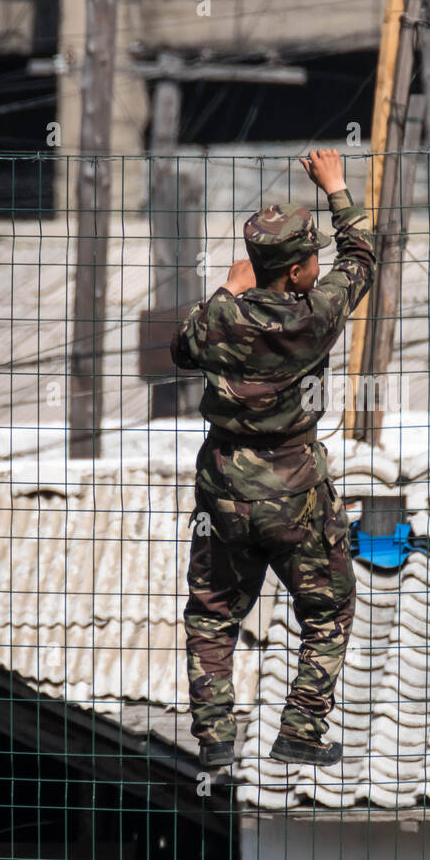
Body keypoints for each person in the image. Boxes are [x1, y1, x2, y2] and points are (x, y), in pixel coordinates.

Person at [170, 148, 376, 770]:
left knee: (212, 613)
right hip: (295, 494)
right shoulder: (315, 317)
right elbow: (362, 257)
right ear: (294, 273)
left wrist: (227, 289)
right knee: (329, 605)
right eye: (311, 257)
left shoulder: (221, 318)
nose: (320, 264)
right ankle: (301, 728)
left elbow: (181, 348)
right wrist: (337, 188)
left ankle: (214, 739)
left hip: (225, 492)